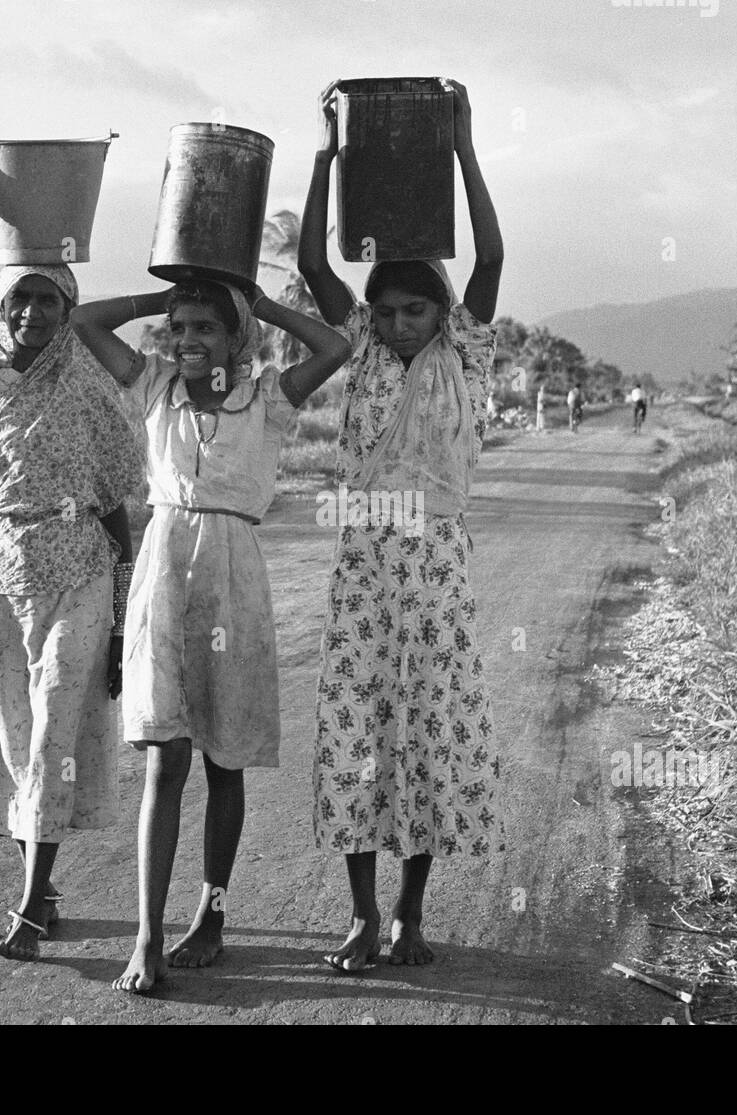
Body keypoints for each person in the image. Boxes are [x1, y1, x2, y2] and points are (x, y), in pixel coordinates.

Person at [70, 274, 350, 994]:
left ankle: (211, 915)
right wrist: (155, 297)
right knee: (166, 758)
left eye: (205, 327)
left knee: (225, 760)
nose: (189, 340)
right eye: (179, 327)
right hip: (165, 572)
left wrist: (261, 304)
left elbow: (336, 342)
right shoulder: (155, 384)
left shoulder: (268, 399)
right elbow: (84, 320)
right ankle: (146, 934)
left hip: (233, 577)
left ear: (236, 337)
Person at [0, 127, 143, 962]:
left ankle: (34, 902)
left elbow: (118, 507)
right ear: (0, 309)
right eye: (19, 301)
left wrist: (120, 621)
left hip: (79, 572)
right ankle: (42, 884)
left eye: (49, 301)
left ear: (69, 309)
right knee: (13, 741)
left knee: (49, 737)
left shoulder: (87, 386)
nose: (33, 313)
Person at [298, 78, 504, 971]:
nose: (395, 321)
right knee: (357, 731)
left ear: (442, 310)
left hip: (438, 568)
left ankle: (410, 917)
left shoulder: (466, 350)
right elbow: (314, 262)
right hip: (366, 564)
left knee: (428, 733)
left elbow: (491, 256)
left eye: (412, 308)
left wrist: (462, 147)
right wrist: (325, 159)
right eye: (385, 309)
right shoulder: (363, 349)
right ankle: (358, 914)